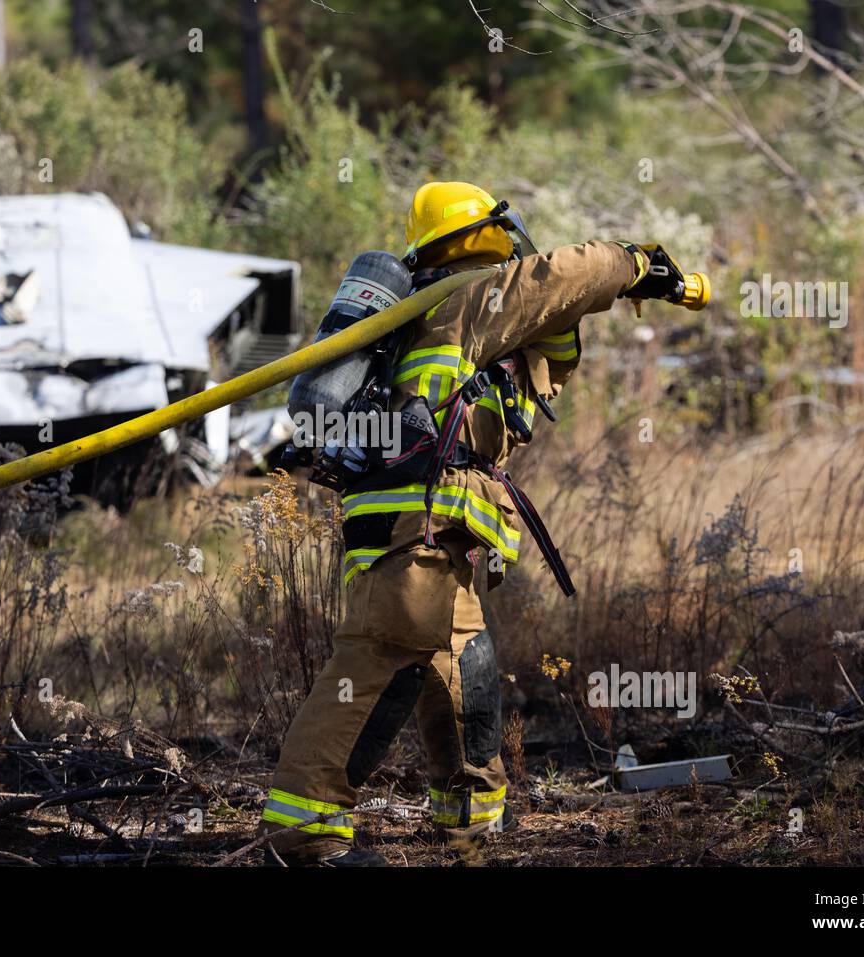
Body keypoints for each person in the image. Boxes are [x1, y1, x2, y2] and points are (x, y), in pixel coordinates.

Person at [258, 181, 685, 866]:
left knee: (462, 663)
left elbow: (547, 351)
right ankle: (305, 835)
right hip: (409, 517)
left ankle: (470, 819)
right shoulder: (474, 294)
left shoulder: (454, 314)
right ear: (483, 234)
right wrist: (637, 263)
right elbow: (565, 275)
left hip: (434, 522)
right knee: (380, 655)